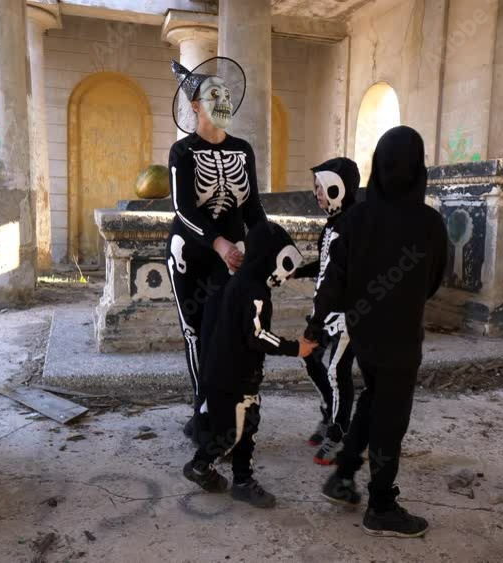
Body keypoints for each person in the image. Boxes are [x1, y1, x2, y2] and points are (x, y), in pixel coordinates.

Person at [305, 126, 447, 538]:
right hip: (402, 337)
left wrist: (316, 325)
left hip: (363, 334)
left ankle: (344, 476)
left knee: (372, 397)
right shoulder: (430, 224)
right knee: (391, 419)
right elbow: (434, 281)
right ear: (419, 168)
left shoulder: (357, 218)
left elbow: (334, 278)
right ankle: (381, 507)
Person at [165, 57, 266, 442]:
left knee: (228, 334)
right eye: (212, 94)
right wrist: (219, 242)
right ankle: (202, 410)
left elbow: (253, 208)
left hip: (232, 261)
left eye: (225, 93)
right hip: (189, 257)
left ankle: (231, 409)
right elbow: (182, 209)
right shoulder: (183, 153)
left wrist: (263, 248)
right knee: (196, 334)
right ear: (195, 106)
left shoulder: (243, 150)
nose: (222, 99)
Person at [183, 221, 316, 508]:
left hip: (234, 376)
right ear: (270, 258)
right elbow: (256, 336)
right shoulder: (254, 291)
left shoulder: (242, 282)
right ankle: (201, 466)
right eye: (287, 262)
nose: (289, 273)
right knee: (230, 432)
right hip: (233, 379)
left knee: (246, 428)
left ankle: (240, 480)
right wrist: (297, 348)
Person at [291, 157, 361, 465]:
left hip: (347, 315)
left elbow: (335, 281)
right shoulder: (334, 223)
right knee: (311, 359)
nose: (317, 193)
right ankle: (330, 414)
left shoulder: (350, 226)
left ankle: (339, 432)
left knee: (337, 372)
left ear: (338, 187)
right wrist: (296, 271)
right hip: (328, 312)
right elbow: (324, 267)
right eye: (316, 187)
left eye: (321, 187)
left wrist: (314, 325)